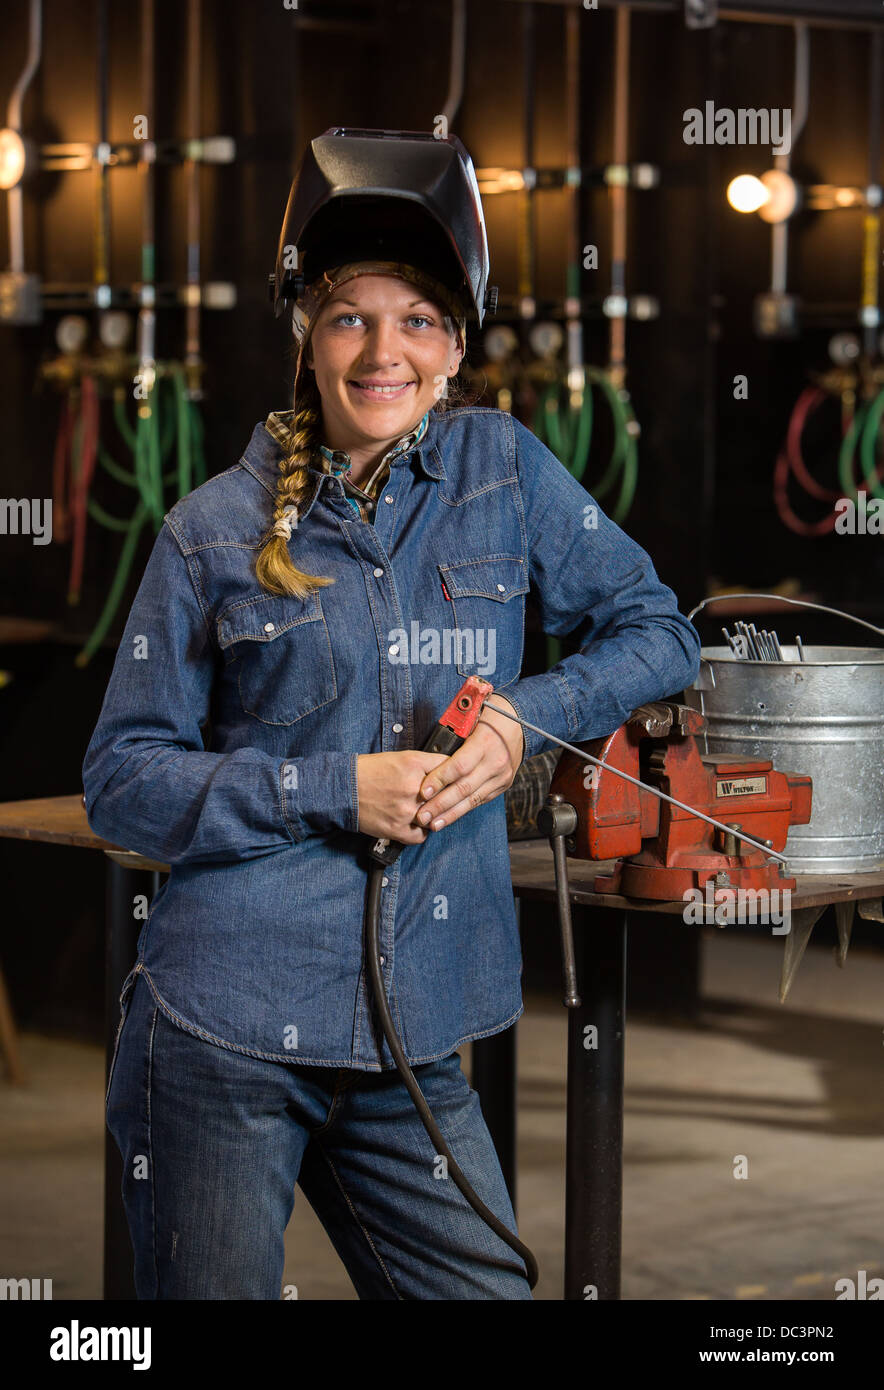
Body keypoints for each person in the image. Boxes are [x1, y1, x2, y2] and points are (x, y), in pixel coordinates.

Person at [82, 129, 701, 1301]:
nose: (383, 350)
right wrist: (328, 788)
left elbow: (655, 629)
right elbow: (122, 780)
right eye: (348, 317)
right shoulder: (211, 532)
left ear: (455, 346)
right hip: (221, 1033)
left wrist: (527, 714)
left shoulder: (503, 474)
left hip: (408, 1042)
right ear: (305, 340)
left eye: (416, 318)